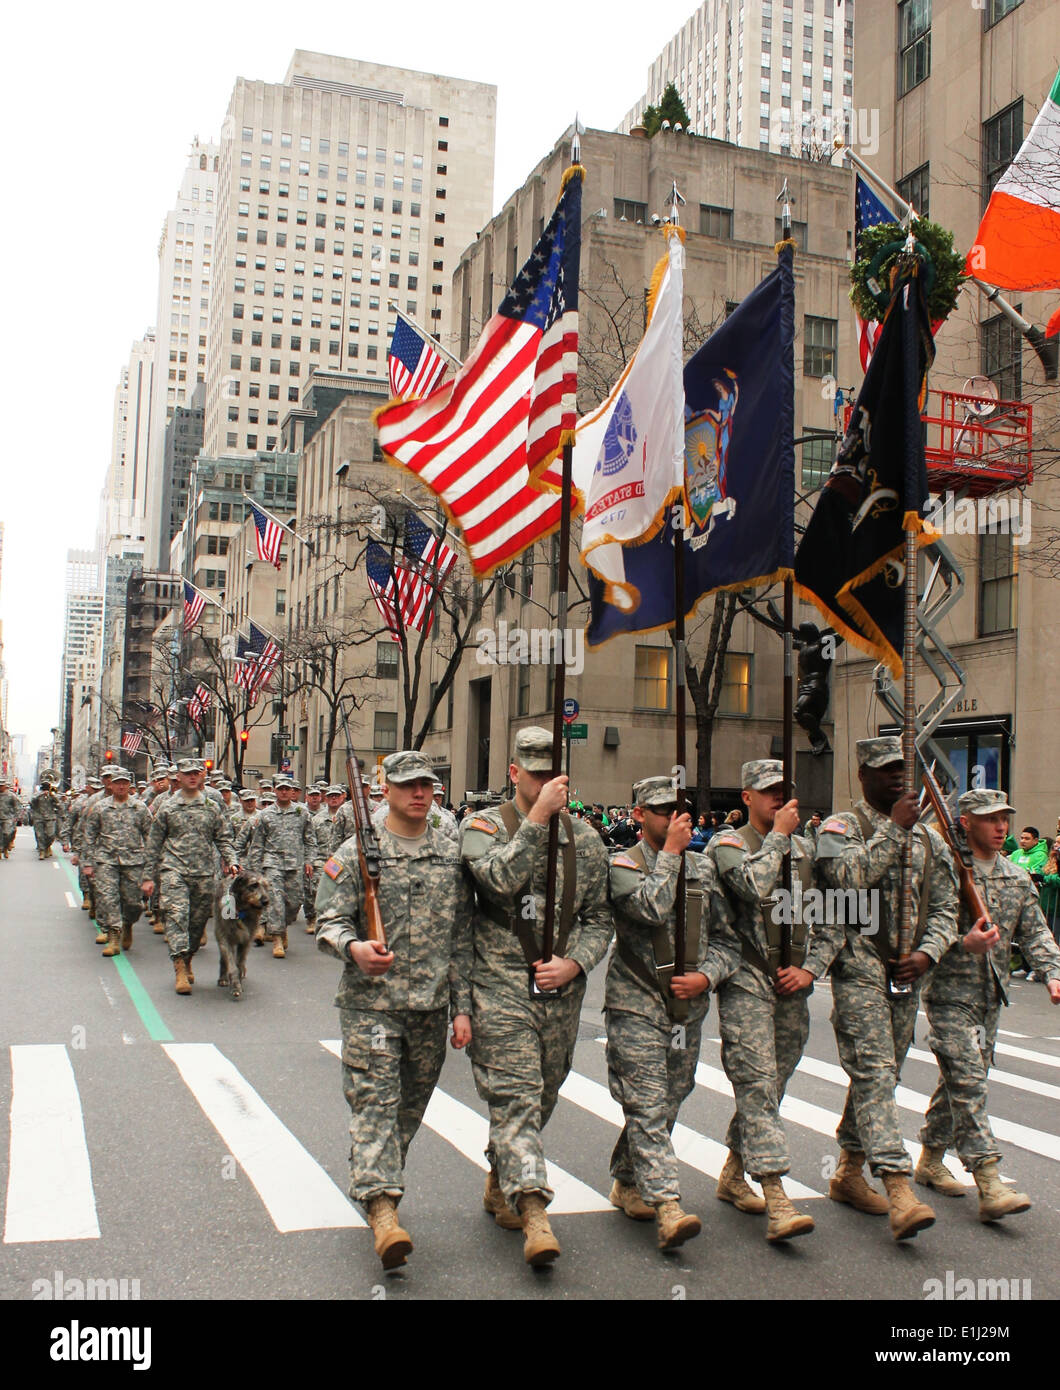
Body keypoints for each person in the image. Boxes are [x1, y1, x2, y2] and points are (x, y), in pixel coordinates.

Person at [315, 750, 473, 1271]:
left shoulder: (451, 849)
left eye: (427, 784)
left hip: (429, 1008)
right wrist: (353, 948)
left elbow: (460, 937)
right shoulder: (357, 848)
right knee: (376, 1103)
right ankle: (384, 1211)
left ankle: (374, 1173)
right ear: (385, 790)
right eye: (408, 785)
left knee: (407, 1111)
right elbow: (329, 922)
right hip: (371, 1007)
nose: (420, 794)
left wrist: (461, 1008)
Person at [460, 726, 611, 1266]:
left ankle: (503, 1173)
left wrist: (575, 963)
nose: (543, 780)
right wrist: (537, 819)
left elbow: (599, 919)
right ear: (513, 773)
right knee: (519, 1095)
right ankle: (536, 1213)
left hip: (560, 997)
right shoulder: (481, 827)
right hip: (499, 988)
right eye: (533, 771)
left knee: (542, 1094)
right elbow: (496, 881)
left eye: (552, 772)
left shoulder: (587, 839)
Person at [813, 736, 960, 1241]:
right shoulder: (842, 828)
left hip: (906, 974)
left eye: (903, 769)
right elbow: (844, 880)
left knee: (883, 1075)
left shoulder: (929, 838)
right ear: (863, 777)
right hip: (857, 966)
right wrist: (895, 829)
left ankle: (849, 1171)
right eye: (885, 770)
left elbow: (946, 905)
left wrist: (929, 952)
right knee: (875, 1071)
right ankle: (898, 1185)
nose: (898, 777)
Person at [606, 776, 740, 1250]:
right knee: (646, 1099)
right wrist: (672, 857)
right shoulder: (624, 865)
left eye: (677, 809)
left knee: (673, 1095)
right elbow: (649, 909)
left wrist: (707, 976)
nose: (673, 818)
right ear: (639, 815)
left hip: (687, 1008)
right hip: (636, 1001)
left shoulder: (703, 870)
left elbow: (729, 940)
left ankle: (626, 1175)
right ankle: (668, 1205)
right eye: (661, 810)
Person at [915, 789, 1060, 1219]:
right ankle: (989, 1178)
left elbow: (1034, 932)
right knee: (969, 1079)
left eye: (1004, 819)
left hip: (990, 997)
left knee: (962, 1080)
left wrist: (1052, 972)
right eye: (990, 819)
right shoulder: (943, 873)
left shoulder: (1016, 877)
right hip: (948, 994)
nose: (1001, 827)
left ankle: (928, 1159)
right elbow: (921, 931)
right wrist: (964, 942)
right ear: (965, 822)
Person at [709, 760, 822, 1242]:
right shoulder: (727, 843)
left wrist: (809, 968)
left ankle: (734, 1171)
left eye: (783, 790)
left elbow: (823, 910)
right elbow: (752, 887)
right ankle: (776, 1193)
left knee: (771, 1085)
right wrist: (779, 837)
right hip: (746, 975)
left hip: (791, 979)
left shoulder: (804, 848)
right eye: (768, 791)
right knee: (756, 1081)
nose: (778, 798)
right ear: (746, 797)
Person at [143, 757, 238, 995]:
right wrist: (147, 877)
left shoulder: (211, 807)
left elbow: (223, 838)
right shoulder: (167, 807)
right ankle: (179, 968)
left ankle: (188, 958)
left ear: (203, 776)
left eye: (197, 773)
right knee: (177, 916)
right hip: (174, 870)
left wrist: (232, 860)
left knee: (197, 924)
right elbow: (154, 844)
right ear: (179, 778)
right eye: (187, 774)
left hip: (204, 873)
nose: (192, 777)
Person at [82, 768, 152, 957]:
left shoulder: (140, 808)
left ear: (130, 786)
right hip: (107, 860)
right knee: (108, 897)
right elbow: (89, 835)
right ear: (111, 785)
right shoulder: (99, 807)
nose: (121, 786)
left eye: (125, 783)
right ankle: (113, 936)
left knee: (133, 903)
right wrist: (87, 863)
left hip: (134, 861)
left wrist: (151, 867)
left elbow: (151, 837)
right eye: (117, 783)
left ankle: (128, 923)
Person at [250, 775, 319, 958]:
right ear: (274, 791)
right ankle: (277, 939)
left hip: (295, 864)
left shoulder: (301, 813)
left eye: (287, 789)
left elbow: (310, 840)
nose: (283, 792)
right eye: (280, 789)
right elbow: (257, 844)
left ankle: (283, 926)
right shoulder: (265, 815)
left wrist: (309, 861)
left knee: (294, 903)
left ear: (293, 792)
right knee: (275, 901)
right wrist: (256, 871)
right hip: (272, 864)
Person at [29, 780, 63, 859]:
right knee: (40, 835)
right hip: (38, 817)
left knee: (50, 835)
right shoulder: (37, 794)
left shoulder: (52, 795)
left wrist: (53, 796)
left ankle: (47, 846)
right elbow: (32, 803)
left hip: (50, 817)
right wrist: (40, 795)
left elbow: (60, 805)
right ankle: (42, 851)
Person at [0, 776, 21, 859]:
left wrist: (16, 816)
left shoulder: (11, 795)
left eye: (1, 786)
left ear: (5, 786)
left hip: (8, 818)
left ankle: (5, 848)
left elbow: (17, 806)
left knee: (7, 834)